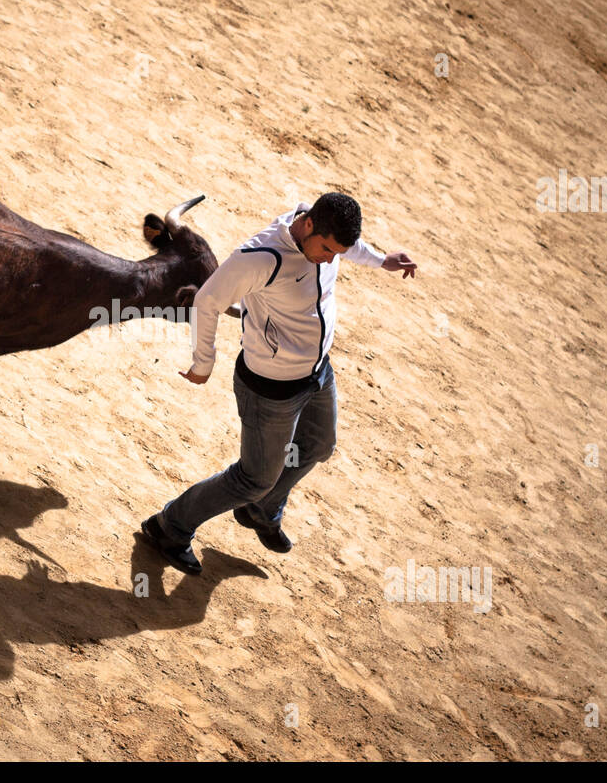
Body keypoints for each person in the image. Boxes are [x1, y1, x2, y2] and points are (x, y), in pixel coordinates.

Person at [140, 192, 417, 574]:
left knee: (319, 444)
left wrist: (379, 259)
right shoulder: (260, 259)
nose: (330, 259)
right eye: (325, 249)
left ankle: (262, 508)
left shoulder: (321, 234)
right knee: (252, 478)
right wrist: (203, 363)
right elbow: (207, 301)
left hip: (318, 371)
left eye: (337, 252)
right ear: (306, 226)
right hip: (268, 388)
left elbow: (347, 247)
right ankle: (169, 526)